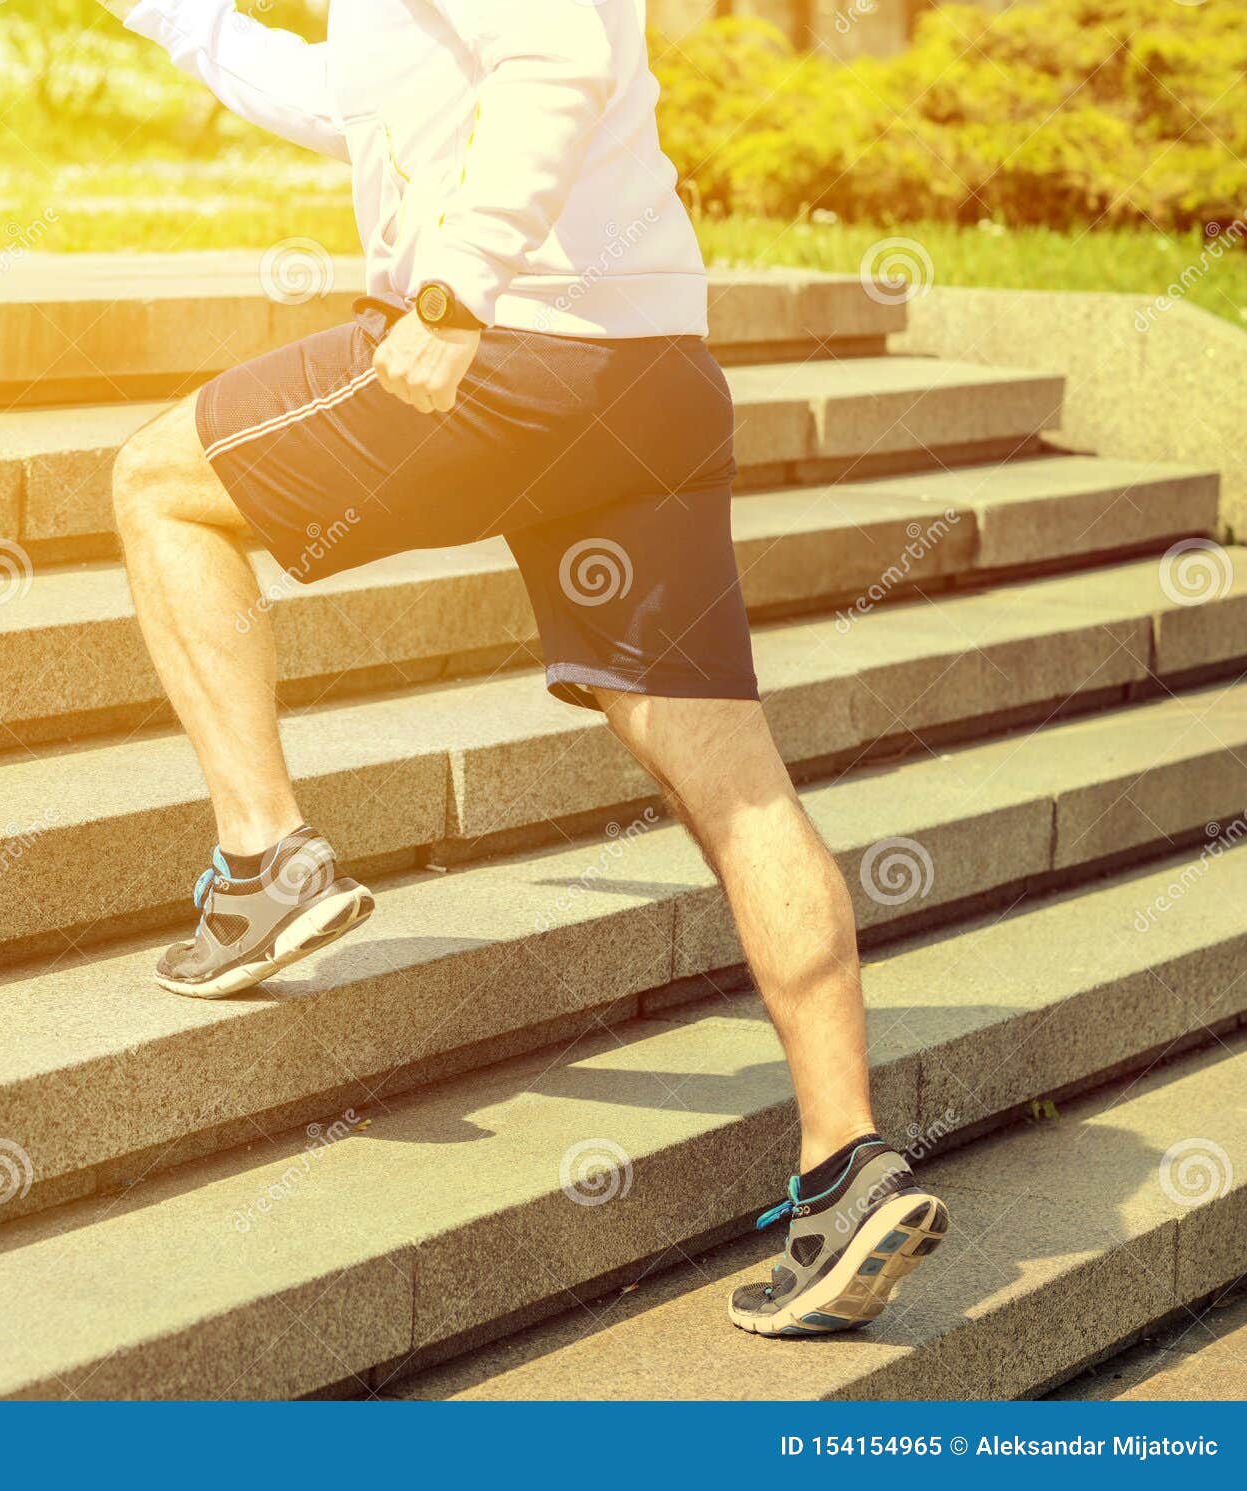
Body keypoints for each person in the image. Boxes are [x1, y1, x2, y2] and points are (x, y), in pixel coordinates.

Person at [97, 0, 946, 1336]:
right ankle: (847, 1167)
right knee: (737, 785)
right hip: (650, 377)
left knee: (157, 484)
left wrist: (453, 293)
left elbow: (558, 57)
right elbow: (351, 94)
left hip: (511, 350)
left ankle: (262, 860)